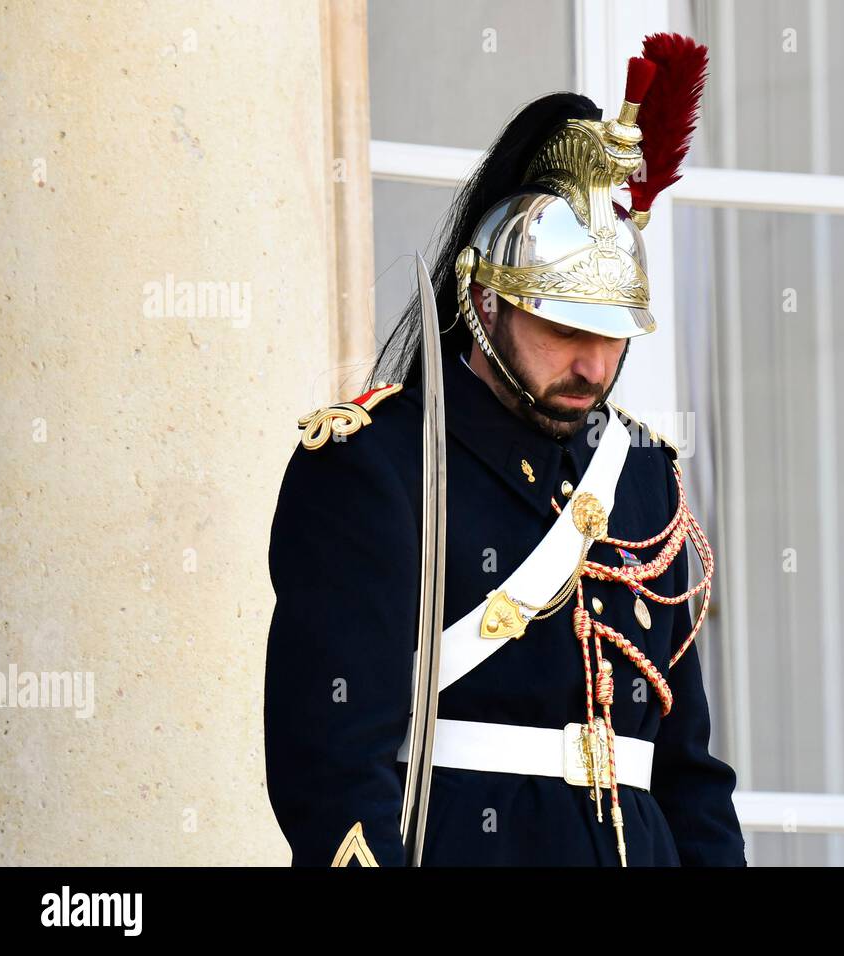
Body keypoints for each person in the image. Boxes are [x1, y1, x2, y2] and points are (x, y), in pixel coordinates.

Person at [263, 34, 745, 866]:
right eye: (565, 329)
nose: (594, 365)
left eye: (611, 335)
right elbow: (333, 762)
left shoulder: (642, 484)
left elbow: (688, 773)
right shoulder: (376, 465)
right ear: (485, 302)